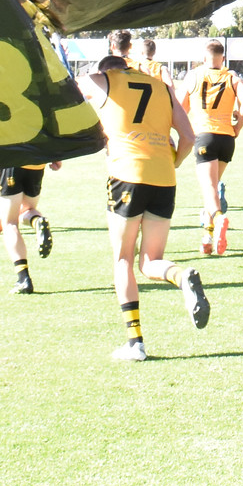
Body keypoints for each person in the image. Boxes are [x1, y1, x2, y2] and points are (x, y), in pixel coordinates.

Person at [82, 54, 210, 361]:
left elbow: (75, 85)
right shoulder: (162, 87)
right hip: (163, 176)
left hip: (126, 174)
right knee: (151, 259)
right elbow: (189, 137)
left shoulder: (104, 81)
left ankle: (135, 343)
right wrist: (173, 163)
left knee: (124, 259)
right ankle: (181, 277)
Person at [183, 39, 243, 256]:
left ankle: (219, 219)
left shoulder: (194, 75)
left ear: (205, 57)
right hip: (226, 139)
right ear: (222, 58)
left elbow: (180, 106)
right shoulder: (232, 77)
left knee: (209, 189)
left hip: (204, 136)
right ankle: (208, 236)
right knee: (211, 188)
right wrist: (237, 126)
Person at [0, 160, 59, 293]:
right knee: (26, 209)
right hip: (37, 162)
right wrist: (55, 156)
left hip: (11, 161)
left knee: (9, 223)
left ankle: (23, 278)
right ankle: (37, 220)